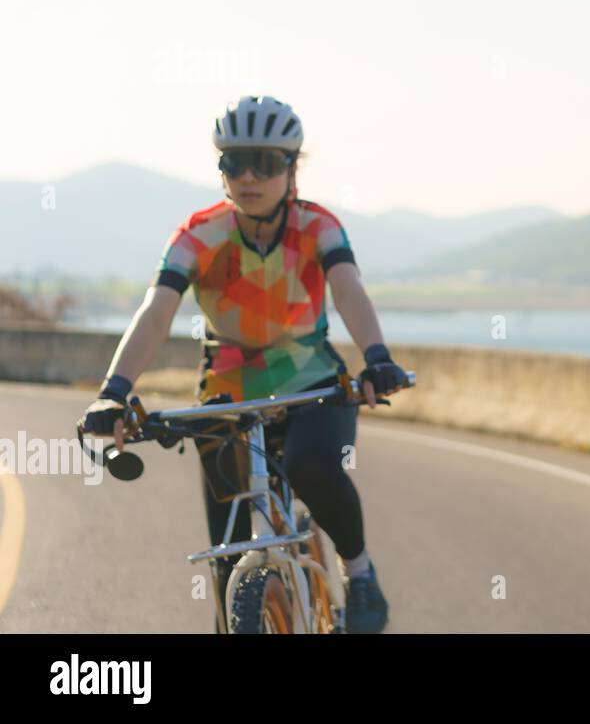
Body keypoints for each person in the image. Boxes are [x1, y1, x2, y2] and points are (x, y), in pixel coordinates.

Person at [81, 95, 409, 633]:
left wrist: (377, 359)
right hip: (228, 391)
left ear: (292, 168)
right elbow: (157, 311)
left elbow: (349, 291)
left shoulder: (318, 226)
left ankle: (360, 572)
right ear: (221, 170)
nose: (250, 175)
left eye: (268, 161)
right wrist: (114, 391)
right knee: (227, 560)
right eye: (235, 162)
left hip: (314, 384)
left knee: (310, 465)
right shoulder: (198, 235)